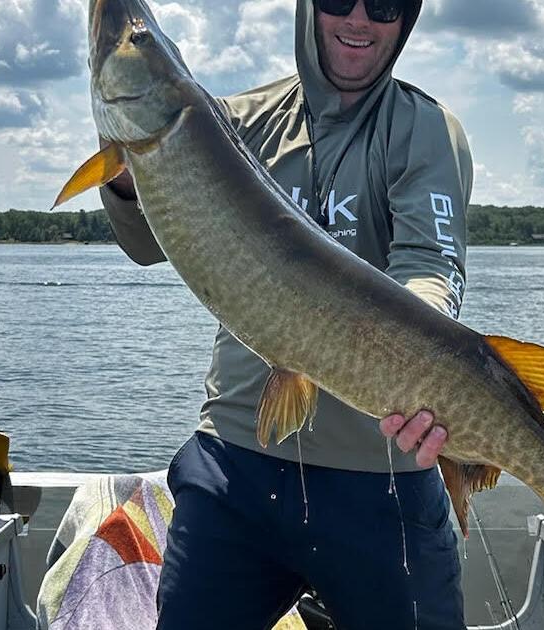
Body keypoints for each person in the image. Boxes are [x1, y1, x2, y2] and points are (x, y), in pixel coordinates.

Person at [98, 0, 472, 627]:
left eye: (384, 6)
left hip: (379, 475)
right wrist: (131, 177)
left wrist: (422, 367)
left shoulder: (423, 129)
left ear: (406, 21)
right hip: (236, 465)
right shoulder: (233, 123)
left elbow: (432, 263)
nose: (359, 20)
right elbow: (143, 247)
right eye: (337, 0)